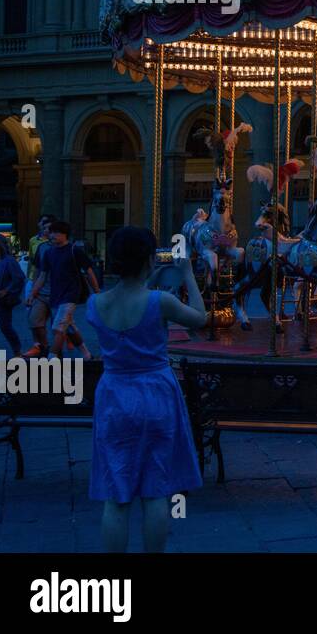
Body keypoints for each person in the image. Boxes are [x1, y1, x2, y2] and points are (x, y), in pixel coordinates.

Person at [85, 225, 208, 552]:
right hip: (155, 394)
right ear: (149, 261)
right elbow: (200, 317)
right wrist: (187, 273)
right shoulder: (161, 302)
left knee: (117, 496)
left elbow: (131, 296)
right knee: (155, 492)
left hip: (114, 396)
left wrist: (147, 275)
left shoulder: (95, 304)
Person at [26, 219, 99, 360]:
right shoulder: (48, 253)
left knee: (58, 327)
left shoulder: (74, 250)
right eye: (51, 232)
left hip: (71, 296)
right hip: (56, 296)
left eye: (57, 232)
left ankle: (51, 358)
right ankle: (86, 354)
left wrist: (96, 291)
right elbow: (42, 276)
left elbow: (89, 271)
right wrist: (32, 294)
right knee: (70, 328)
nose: (53, 235)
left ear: (65, 234)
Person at [21, 214, 54, 358]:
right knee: (32, 314)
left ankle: (64, 341)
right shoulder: (34, 241)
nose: (43, 227)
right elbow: (32, 262)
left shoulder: (55, 243)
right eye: (42, 223)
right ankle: (37, 344)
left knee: (55, 318)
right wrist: (29, 278)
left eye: (47, 225)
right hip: (34, 278)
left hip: (50, 282)